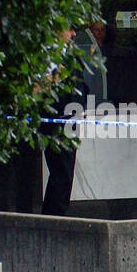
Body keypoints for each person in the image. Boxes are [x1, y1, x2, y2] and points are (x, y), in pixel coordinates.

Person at [40, 27, 89, 216]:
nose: (74, 34)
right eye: (70, 30)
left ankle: (57, 212)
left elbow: (81, 84)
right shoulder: (46, 56)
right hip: (53, 121)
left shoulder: (71, 56)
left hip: (71, 121)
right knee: (60, 172)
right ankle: (54, 214)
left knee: (66, 172)